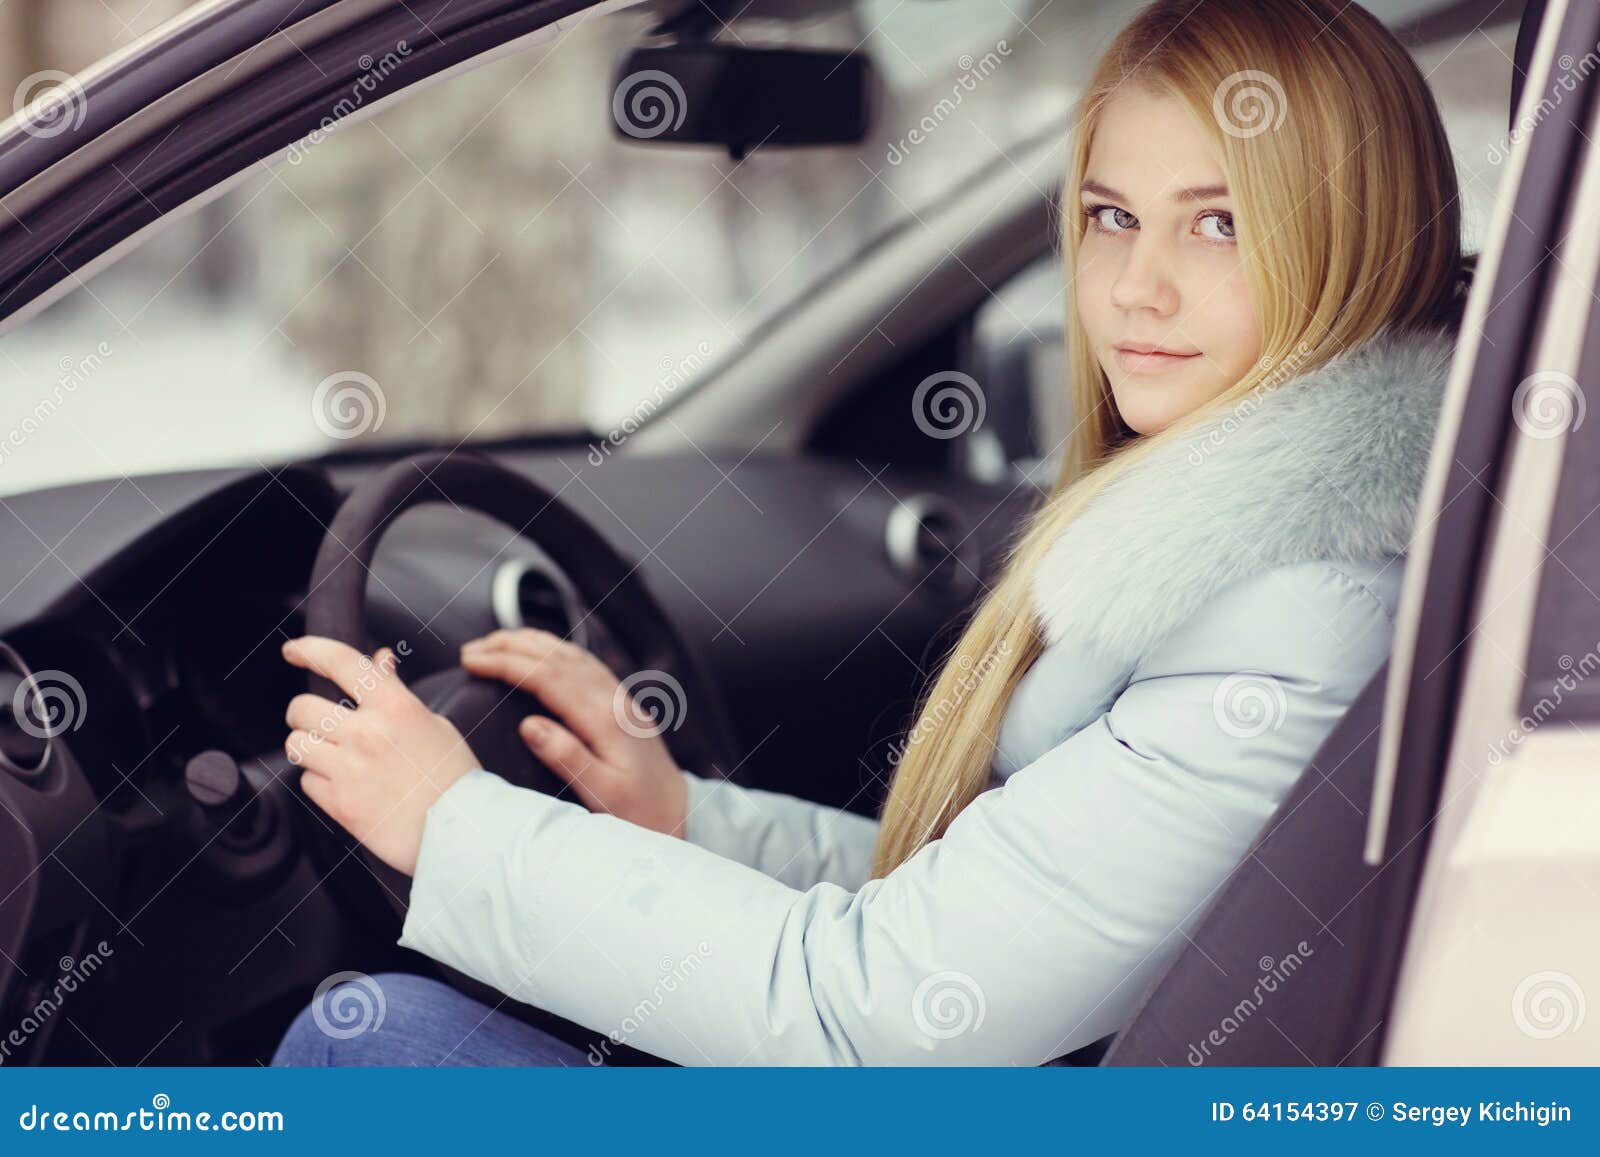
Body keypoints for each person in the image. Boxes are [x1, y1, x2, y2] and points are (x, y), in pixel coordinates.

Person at [271, 0, 1467, 1067]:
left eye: (1218, 225)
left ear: (1352, 240)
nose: (1132, 287)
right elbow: (984, 918)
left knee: (364, 1044)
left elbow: (878, 1015)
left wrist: (458, 828)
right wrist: (690, 818)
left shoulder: (1295, 625)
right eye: (1111, 215)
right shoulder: (1263, 579)